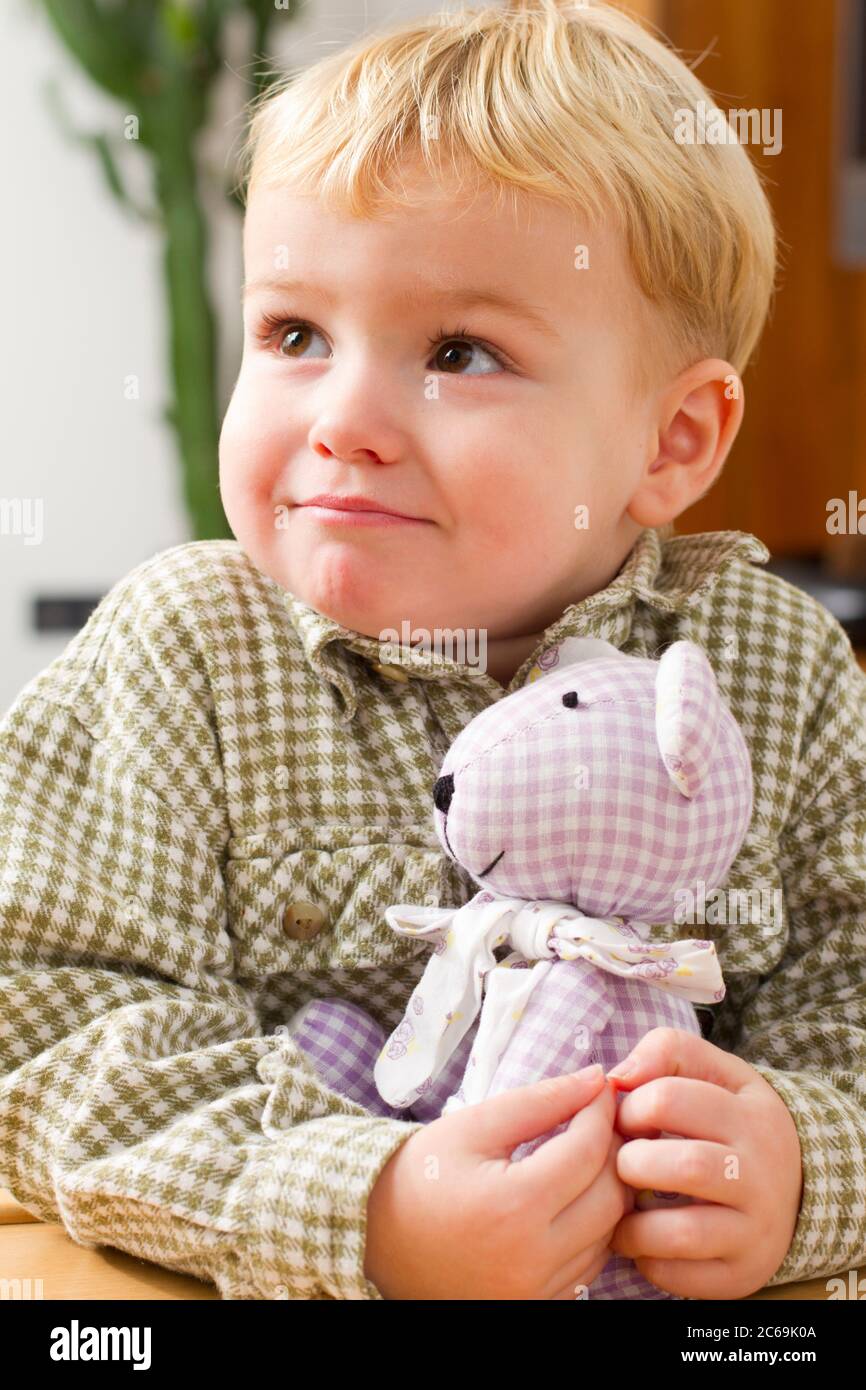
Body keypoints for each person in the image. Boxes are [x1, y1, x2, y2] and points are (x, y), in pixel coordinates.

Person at [1, 0, 864, 1300]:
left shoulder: (772, 667)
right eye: (294, 335)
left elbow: (847, 1010)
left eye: (459, 352)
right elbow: (54, 1033)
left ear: (672, 441)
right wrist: (369, 1208)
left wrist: (799, 1168)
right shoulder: (179, 653)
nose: (341, 418)